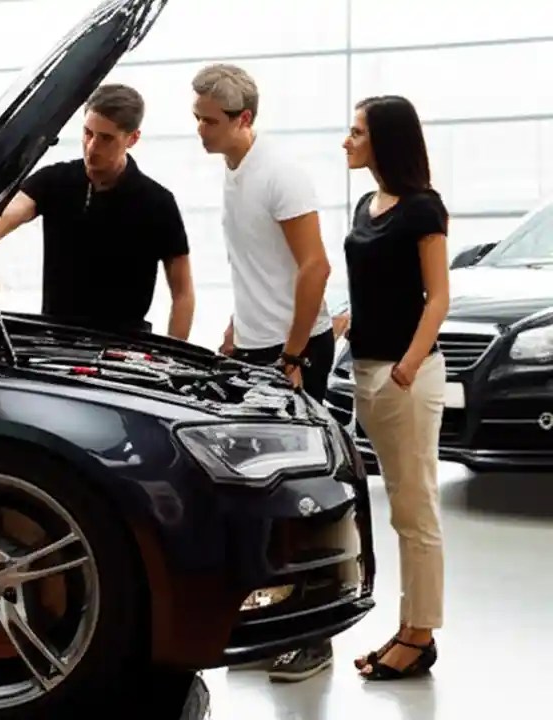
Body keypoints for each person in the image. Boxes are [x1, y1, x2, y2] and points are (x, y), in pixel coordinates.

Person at [191, 63, 336, 682]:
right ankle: (268, 626)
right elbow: (257, 266)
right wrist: (236, 331)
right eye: (197, 118)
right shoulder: (233, 170)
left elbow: (315, 268)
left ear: (243, 119)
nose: (200, 130)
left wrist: (292, 357)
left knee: (302, 500)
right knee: (255, 498)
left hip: (294, 352)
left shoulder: (280, 174)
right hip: (256, 348)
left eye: (210, 121)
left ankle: (315, 639)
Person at [339, 94, 448, 681]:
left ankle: (419, 635)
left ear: (386, 139)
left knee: (415, 507)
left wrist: (407, 364)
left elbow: (439, 298)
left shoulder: (423, 209)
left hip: (406, 377)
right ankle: (408, 628)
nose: (347, 141)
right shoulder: (366, 205)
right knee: (401, 507)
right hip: (366, 369)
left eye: (357, 132)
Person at [0, 83, 195, 340]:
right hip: (56, 342)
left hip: (124, 348)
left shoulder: (158, 202)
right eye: (88, 133)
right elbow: (2, 219)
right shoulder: (53, 181)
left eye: (106, 138)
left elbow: (182, 293)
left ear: (133, 138)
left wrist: (172, 355)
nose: (92, 147)